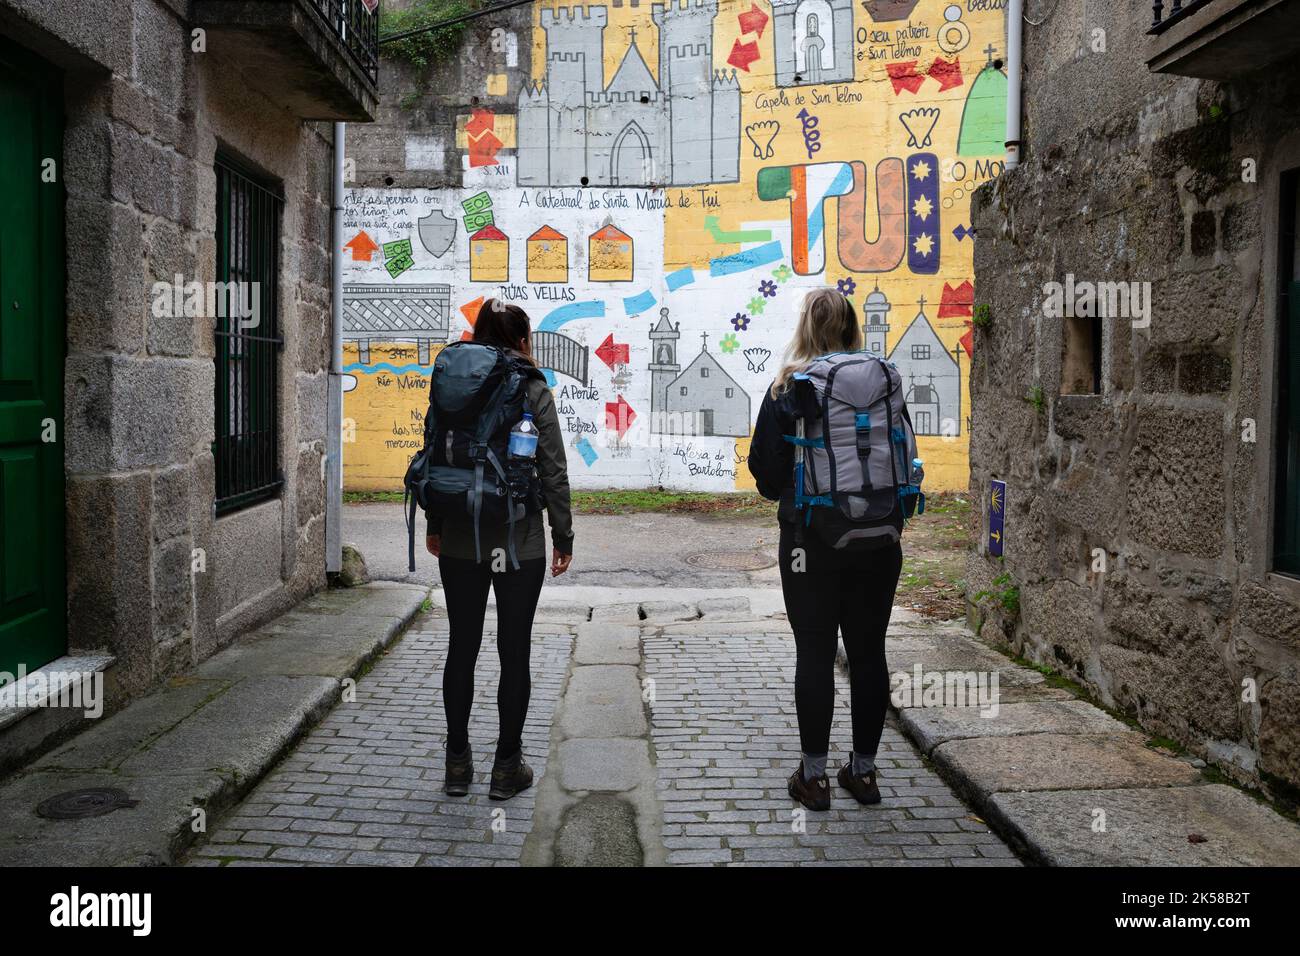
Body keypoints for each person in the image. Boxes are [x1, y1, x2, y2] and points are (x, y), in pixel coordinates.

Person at [747, 288, 904, 811]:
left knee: (814, 651)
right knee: (868, 652)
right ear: (854, 326)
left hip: (808, 543)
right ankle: (863, 773)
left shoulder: (791, 386)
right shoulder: (885, 377)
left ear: (806, 327)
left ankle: (813, 779)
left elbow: (766, 474)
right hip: (881, 538)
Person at [426, 300, 573, 800]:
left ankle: (457, 764)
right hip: (518, 537)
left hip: (460, 533)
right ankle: (506, 767)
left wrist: (435, 521)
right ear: (522, 338)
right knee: (514, 650)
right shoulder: (531, 386)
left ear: (479, 332)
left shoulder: (449, 377)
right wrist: (563, 534)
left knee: (461, 647)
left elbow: (435, 450)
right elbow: (552, 467)